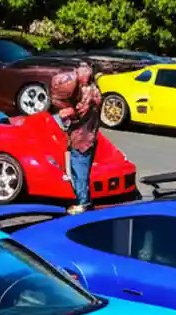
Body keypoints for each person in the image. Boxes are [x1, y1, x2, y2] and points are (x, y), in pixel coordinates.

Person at [50, 62, 102, 214]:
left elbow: (77, 114)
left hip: (82, 140)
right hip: (88, 137)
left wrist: (66, 114)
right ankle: (84, 200)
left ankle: (83, 203)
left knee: (79, 172)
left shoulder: (86, 93)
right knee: (80, 170)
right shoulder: (93, 89)